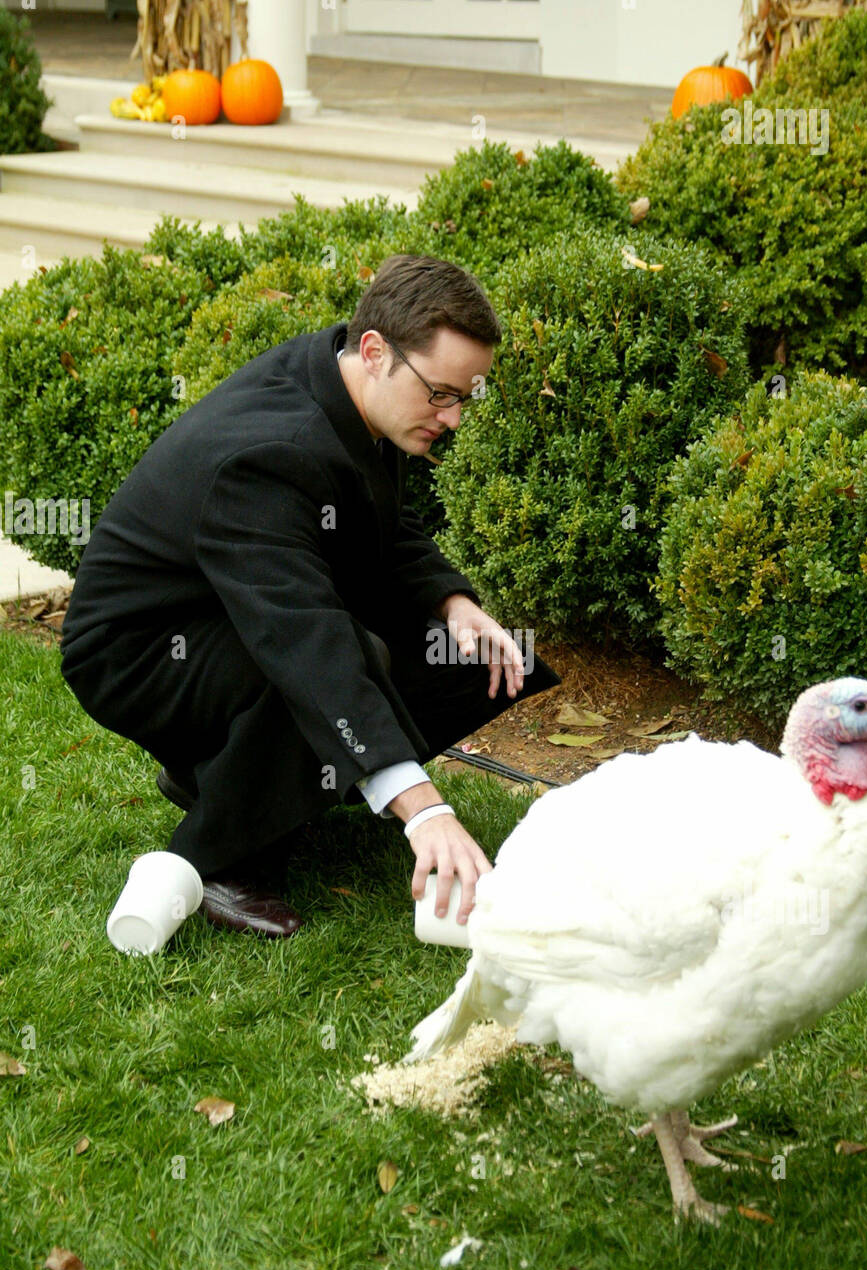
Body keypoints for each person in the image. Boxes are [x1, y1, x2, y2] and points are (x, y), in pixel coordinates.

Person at [59, 254, 562, 940]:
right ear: (377, 351)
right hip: (141, 652)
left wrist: (453, 604)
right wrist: (422, 809)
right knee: (342, 661)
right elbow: (304, 643)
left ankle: (250, 776)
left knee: (470, 657)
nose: (452, 418)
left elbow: (380, 521)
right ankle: (210, 860)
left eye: (465, 397)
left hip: (238, 608)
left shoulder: (352, 379)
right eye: (441, 394)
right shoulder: (270, 453)